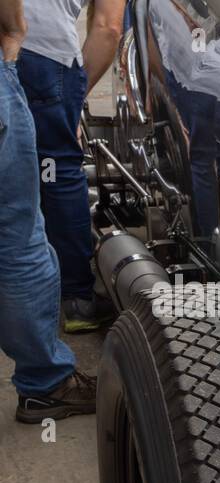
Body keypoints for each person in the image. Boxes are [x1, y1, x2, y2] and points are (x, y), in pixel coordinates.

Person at [0, 0, 96, 422]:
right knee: (17, 235)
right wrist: (14, 35)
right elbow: (110, 28)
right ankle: (46, 381)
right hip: (41, 59)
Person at [17, 0, 124, 332]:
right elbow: (109, 28)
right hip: (41, 57)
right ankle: (77, 300)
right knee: (55, 169)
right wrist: (72, 99)